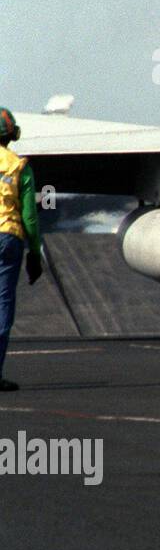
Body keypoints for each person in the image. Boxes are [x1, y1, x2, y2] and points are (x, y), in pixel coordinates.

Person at [0, 109, 43, 391]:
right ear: (12, 134)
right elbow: (29, 216)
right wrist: (35, 253)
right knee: (2, 305)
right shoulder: (19, 166)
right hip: (8, 240)